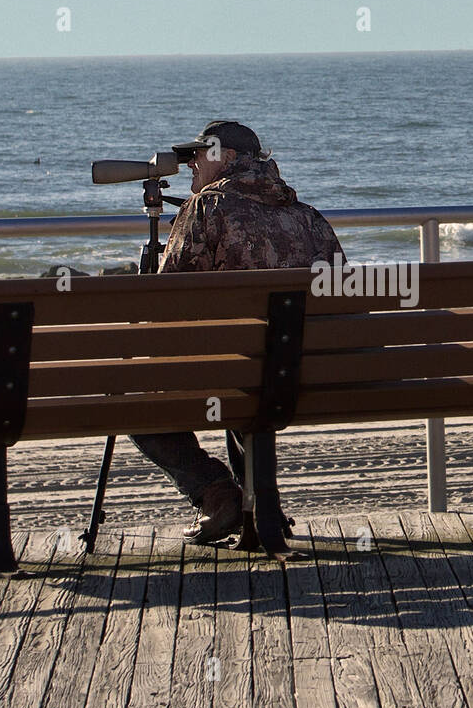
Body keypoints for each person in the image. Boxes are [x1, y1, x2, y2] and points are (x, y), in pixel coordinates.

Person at [129, 120, 344, 543]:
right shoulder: (308, 218)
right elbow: (339, 299)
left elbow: (166, 307)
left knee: (130, 395)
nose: (190, 164)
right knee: (247, 368)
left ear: (226, 159)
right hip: (305, 376)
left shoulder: (206, 209)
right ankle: (261, 505)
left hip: (234, 375)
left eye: (198, 155)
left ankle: (216, 493)